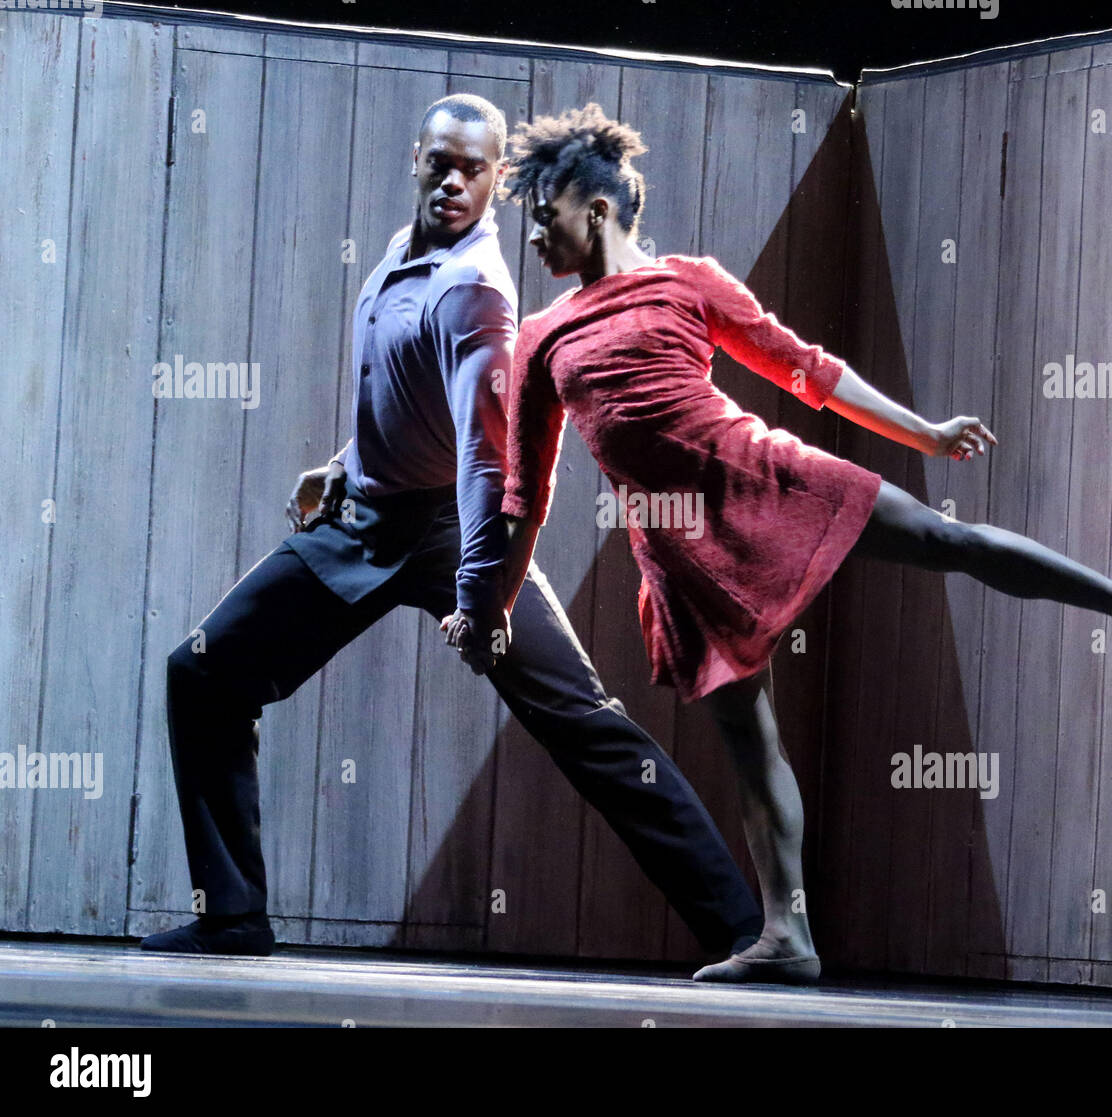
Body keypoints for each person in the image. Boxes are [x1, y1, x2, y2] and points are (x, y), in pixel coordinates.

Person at [441, 102, 1112, 985]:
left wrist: (925, 433)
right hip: (683, 556)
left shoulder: (688, 282)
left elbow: (805, 369)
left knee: (949, 538)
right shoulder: (545, 337)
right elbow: (524, 496)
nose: (532, 239)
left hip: (765, 478)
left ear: (593, 208)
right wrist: (489, 607)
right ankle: (789, 935)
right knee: (754, 748)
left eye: (542, 214)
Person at [142, 94, 764, 962]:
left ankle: (747, 928)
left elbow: (485, 460)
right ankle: (233, 914)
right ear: (416, 158)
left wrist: (483, 597)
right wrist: (342, 462)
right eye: (441, 162)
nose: (454, 182)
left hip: (451, 533)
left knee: (584, 722)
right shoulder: (401, 254)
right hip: (364, 521)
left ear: (498, 177)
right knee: (202, 677)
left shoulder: (476, 290)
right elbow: (407, 395)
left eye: (475, 169)